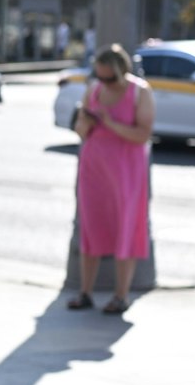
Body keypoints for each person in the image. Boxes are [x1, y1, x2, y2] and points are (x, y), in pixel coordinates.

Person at [66, 44, 154, 317]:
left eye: (109, 79)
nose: (104, 83)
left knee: (124, 226)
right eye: (100, 77)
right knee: (91, 226)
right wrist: (86, 120)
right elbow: (81, 132)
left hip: (127, 170)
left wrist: (109, 122)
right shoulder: (93, 90)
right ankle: (86, 292)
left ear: (122, 72)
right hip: (94, 169)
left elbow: (143, 134)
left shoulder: (140, 91)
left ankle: (121, 296)